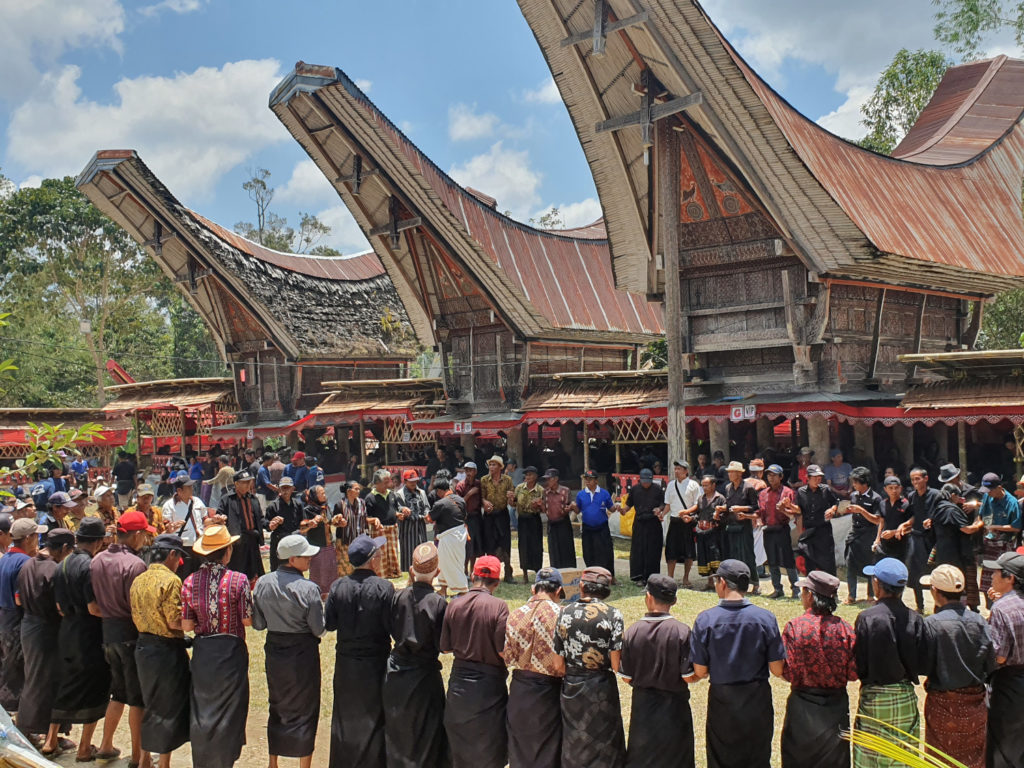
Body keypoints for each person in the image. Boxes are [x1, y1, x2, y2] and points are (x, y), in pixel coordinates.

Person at [690, 559, 785, 768]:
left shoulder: (706, 620)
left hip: (722, 701)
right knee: (757, 757)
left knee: (721, 758)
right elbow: (777, 668)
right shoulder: (765, 618)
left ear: (722, 583)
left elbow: (700, 670)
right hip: (757, 699)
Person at [181, 524, 252, 768]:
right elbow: (247, 620)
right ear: (227, 551)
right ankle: (226, 760)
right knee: (231, 709)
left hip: (204, 654)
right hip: (231, 652)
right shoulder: (238, 580)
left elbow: (187, 625)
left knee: (203, 708)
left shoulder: (189, 582)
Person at [253, 534, 326, 768]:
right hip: (302, 654)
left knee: (277, 703)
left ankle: (273, 762)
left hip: (275, 651)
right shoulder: (309, 588)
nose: (310, 560)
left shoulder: (263, 583)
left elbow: (258, 624)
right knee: (307, 707)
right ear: (292, 559)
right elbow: (319, 629)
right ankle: (304, 764)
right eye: (306, 557)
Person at [853, 558, 932, 768]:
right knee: (903, 759)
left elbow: (858, 663)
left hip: (875, 699)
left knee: (871, 759)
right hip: (905, 699)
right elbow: (924, 663)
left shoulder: (867, 618)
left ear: (877, 584)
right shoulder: (916, 619)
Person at [324, 533, 394, 768]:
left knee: (345, 716)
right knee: (375, 716)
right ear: (372, 559)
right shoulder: (385, 588)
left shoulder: (338, 587)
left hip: (346, 665)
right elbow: (392, 627)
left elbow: (330, 624)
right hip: (375, 664)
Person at [91, 510, 154, 768]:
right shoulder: (136, 565)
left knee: (117, 694)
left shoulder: (97, 560)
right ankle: (138, 757)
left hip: (107, 632)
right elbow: (137, 606)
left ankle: (106, 744)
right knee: (137, 698)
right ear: (137, 535)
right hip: (129, 633)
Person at [920, 564, 995, 768]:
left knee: (939, 761)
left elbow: (923, 665)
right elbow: (991, 663)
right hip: (975, 707)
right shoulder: (980, 621)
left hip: (942, 707)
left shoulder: (932, 624)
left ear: (935, 592)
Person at [781, 570, 856, 768]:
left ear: (811, 596)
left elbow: (786, 670)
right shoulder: (845, 630)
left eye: (804, 591)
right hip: (835, 708)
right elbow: (854, 673)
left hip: (802, 709)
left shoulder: (795, 627)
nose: (801, 596)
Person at [384, 542, 450, 768]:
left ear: (411, 570)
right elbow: (444, 645)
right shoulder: (439, 603)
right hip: (425, 676)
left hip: (396, 673)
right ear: (438, 572)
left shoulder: (397, 597)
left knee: (398, 728)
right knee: (427, 733)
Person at [620, 574, 696, 768]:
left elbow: (626, 678)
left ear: (648, 597)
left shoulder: (633, 631)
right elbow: (688, 676)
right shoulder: (682, 631)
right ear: (675, 601)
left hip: (643, 709)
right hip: (675, 709)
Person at [441, 555, 509, 768]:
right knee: (490, 747)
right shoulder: (499, 607)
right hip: (489, 688)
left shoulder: (454, 604)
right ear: (497, 582)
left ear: (472, 576)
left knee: (460, 748)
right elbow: (502, 651)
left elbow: (445, 647)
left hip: (459, 685)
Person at [51, 517, 110, 763]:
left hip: (67, 632)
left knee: (66, 686)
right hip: (88, 634)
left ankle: (50, 740)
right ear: (97, 542)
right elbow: (94, 608)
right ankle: (85, 748)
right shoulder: (90, 567)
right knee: (94, 689)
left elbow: (59, 607)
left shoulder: (61, 566)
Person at [129, 533, 190, 768]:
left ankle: (145, 759)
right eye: (178, 557)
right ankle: (163, 763)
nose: (179, 563)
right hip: (166, 651)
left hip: (143, 647)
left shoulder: (139, 579)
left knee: (150, 703)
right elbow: (174, 621)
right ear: (172, 555)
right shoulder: (171, 581)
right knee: (168, 707)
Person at [555, 565, 625, 768]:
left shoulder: (565, 612)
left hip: (572, 686)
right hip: (602, 687)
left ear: (582, 586)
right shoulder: (613, 614)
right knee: (606, 740)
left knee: (574, 740)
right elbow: (615, 663)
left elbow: (558, 663)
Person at [17, 527, 75, 755]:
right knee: (50, 683)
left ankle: (32, 730)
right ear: (63, 548)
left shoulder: (28, 564)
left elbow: (19, 599)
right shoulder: (55, 570)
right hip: (48, 630)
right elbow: (61, 608)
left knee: (33, 679)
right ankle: (41, 734)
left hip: (29, 626)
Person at [503, 566, 565, 768]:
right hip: (550, 691)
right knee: (548, 751)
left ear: (533, 589)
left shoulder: (515, 615)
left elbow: (508, 656)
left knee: (520, 750)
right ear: (558, 591)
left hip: (520, 689)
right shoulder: (563, 615)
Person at [983, 550, 1024, 767]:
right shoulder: (1006, 604)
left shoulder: (1002, 608)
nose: (991, 576)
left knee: (1002, 748)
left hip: (1008, 685)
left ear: (1011, 579)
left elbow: (998, 656)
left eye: (997, 572)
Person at [0, 518, 42, 712]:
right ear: (27, 538)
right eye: (36, 536)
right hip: (17, 621)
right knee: (20, 674)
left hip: (4, 619)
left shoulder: (5, 558)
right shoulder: (25, 563)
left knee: (8, 671)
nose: (38, 539)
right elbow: (20, 599)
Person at [785, 464, 838, 575]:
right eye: (814, 477)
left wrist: (832, 510)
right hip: (809, 531)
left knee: (827, 560)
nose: (817, 480)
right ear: (807, 478)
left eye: (819, 477)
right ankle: (811, 588)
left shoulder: (825, 489)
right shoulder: (801, 492)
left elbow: (835, 502)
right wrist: (789, 505)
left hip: (824, 530)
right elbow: (799, 510)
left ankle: (831, 589)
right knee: (809, 559)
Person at [978, 472, 1023, 605]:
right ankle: (989, 607)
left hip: (1004, 545)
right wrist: (978, 526)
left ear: (999, 488)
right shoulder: (987, 497)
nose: (988, 493)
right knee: (987, 582)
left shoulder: (1012, 503)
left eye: (990, 490)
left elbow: (1016, 527)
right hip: (988, 543)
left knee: (1002, 577)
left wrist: (996, 526)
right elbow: (981, 515)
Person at [843, 466, 883, 604]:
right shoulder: (854, 495)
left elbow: (877, 520)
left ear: (864, 483)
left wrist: (861, 510)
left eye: (855, 482)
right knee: (850, 563)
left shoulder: (876, 498)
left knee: (870, 566)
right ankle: (851, 596)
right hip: (855, 533)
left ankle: (871, 595)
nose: (853, 485)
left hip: (869, 534)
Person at [758, 464, 799, 598]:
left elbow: (793, 513)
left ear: (781, 477)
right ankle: (777, 589)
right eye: (769, 475)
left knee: (788, 560)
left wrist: (784, 509)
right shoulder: (763, 494)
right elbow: (760, 513)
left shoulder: (788, 492)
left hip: (782, 529)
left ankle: (795, 589)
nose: (771, 478)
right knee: (772, 560)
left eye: (774, 475)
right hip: (768, 530)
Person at [619, 468, 664, 586]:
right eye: (644, 482)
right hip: (639, 522)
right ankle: (638, 576)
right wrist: (623, 510)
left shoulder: (657, 489)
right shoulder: (635, 489)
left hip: (653, 523)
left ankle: (651, 577)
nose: (646, 484)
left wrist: (659, 509)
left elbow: (663, 504)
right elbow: (629, 505)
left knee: (652, 550)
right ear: (640, 480)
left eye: (648, 482)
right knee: (638, 550)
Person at [218, 469, 265, 582]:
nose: (248, 485)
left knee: (254, 574)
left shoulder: (253, 499)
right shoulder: (227, 499)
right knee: (237, 573)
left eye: (249, 482)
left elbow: (260, 518)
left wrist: (269, 524)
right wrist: (220, 518)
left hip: (253, 540)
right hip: (237, 542)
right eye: (244, 482)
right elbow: (219, 515)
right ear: (236, 483)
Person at [721, 461, 760, 593]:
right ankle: (737, 583)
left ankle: (755, 583)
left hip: (744, 525)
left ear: (739, 473)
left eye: (732, 472)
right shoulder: (728, 488)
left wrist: (742, 509)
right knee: (734, 555)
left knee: (748, 555)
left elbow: (755, 507)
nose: (730, 474)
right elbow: (728, 505)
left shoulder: (748, 488)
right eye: (729, 472)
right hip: (731, 525)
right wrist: (722, 508)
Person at [160, 476, 210, 580]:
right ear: (179, 490)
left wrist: (214, 521)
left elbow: (205, 520)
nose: (192, 488)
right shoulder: (169, 506)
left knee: (201, 578)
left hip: (199, 546)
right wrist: (171, 528)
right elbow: (167, 529)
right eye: (188, 487)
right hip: (182, 548)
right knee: (183, 578)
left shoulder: (197, 501)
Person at [907, 467, 942, 612]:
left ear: (925, 479)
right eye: (913, 479)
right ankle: (919, 606)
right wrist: (905, 524)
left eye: (918, 478)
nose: (915, 482)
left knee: (934, 572)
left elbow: (943, 512)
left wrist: (933, 520)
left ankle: (937, 606)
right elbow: (911, 516)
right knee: (914, 572)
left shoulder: (936, 495)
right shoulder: (911, 497)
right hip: (916, 538)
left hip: (932, 539)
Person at [662, 460, 700, 585]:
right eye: (676, 469)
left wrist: (686, 512)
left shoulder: (693, 485)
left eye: (679, 469)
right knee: (671, 550)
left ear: (686, 471)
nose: (676, 471)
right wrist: (662, 514)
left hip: (687, 521)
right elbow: (668, 504)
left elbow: (697, 504)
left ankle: (686, 578)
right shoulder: (671, 485)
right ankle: (670, 577)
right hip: (674, 521)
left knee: (688, 551)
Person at [430, 478, 468, 597]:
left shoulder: (440, 503)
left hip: (449, 537)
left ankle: (462, 590)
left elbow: (430, 518)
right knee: (448, 563)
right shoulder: (461, 500)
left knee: (451, 565)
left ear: (440, 490)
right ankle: (443, 589)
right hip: (460, 535)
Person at [480, 456, 515, 583]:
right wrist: (485, 502)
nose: (491, 467)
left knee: (505, 543)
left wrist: (511, 498)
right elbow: (481, 497)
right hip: (489, 516)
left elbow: (512, 502)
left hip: (502, 514)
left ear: (500, 467)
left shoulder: (507, 480)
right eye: (490, 465)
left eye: (494, 465)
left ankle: (508, 573)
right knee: (489, 543)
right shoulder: (484, 480)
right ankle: (490, 573)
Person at [575, 469, 616, 575]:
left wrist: (616, 508)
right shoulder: (581, 494)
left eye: (590, 479)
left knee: (606, 551)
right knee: (588, 552)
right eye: (586, 479)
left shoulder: (604, 493)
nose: (587, 482)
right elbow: (577, 510)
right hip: (587, 527)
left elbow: (611, 508)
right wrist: (572, 507)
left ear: (596, 481)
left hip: (602, 527)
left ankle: (609, 575)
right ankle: (591, 574)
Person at [302, 484, 338, 599]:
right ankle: (316, 594)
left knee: (331, 571)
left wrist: (336, 520)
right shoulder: (308, 510)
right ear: (314, 496)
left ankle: (330, 594)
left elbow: (329, 521)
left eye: (324, 493)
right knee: (319, 572)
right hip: (317, 546)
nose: (324, 495)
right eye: (321, 493)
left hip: (329, 545)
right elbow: (303, 527)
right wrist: (312, 522)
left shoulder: (325, 507)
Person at [365, 468, 401, 579]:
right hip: (379, 530)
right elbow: (366, 517)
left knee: (392, 552)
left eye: (388, 481)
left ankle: (393, 573)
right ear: (376, 483)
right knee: (381, 554)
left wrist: (398, 513)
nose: (388, 485)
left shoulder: (392, 494)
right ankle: (381, 574)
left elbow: (395, 509)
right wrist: (374, 520)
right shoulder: (370, 498)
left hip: (392, 529)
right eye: (385, 483)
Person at [512, 465, 545, 582]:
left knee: (536, 545)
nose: (527, 477)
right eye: (526, 475)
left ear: (535, 477)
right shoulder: (519, 488)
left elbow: (544, 509)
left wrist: (540, 505)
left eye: (530, 474)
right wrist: (510, 499)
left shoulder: (541, 490)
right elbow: (513, 504)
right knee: (523, 545)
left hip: (534, 519)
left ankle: (538, 571)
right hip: (522, 519)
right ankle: (524, 573)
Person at [265, 475, 304, 572]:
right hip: (279, 542)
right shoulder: (273, 506)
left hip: (294, 540)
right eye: (283, 488)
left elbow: (302, 522)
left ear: (292, 489)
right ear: (279, 489)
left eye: (288, 488)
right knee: (277, 570)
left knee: (295, 570)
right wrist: (272, 524)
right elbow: (267, 525)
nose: (285, 491)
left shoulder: (297, 505)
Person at [694, 475, 726, 589]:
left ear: (713, 485)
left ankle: (719, 582)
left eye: (706, 485)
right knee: (704, 556)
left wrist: (718, 518)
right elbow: (697, 513)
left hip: (715, 532)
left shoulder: (720, 498)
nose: (704, 487)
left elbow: (724, 515)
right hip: (702, 532)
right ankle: (709, 582)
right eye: (702, 485)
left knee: (715, 556)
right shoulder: (700, 498)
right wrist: (692, 519)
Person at [396, 469, 430, 572]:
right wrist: (402, 509)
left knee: (422, 550)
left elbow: (426, 506)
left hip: (420, 525)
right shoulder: (399, 494)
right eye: (411, 481)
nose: (413, 483)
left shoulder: (422, 492)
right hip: (407, 526)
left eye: (415, 481)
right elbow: (397, 507)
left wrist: (427, 514)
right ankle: (409, 576)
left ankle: (422, 573)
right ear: (405, 481)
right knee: (408, 551)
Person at [542, 469, 575, 569]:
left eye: (549, 479)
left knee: (566, 548)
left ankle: (569, 570)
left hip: (563, 522)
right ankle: (556, 570)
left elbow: (568, 506)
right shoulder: (545, 492)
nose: (547, 482)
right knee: (553, 549)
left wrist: (567, 509)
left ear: (556, 479)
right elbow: (544, 509)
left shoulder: (565, 491)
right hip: (551, 523)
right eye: (546, 480)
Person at [456, 461, 484, 572]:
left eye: (471, 470)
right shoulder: (460, 485)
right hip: (465, 519)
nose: (468, 473)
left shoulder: (479, 484)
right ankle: (465, 569)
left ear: (475, 472)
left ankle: (472, 569)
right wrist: (469, 494)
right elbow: (458, 503)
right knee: (466, 545)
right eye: (466, 470)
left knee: (476, 545)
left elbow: (482, 499)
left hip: (477, 517)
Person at [877, 475, 912, 561]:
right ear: (885, 489)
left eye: (896, 488)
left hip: (901, 545)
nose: (894, 491)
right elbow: (881, 522)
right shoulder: (883, 504)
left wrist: (894, 532)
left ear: (901, 488)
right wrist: (877, 539)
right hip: (884, 544)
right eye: (890, 488)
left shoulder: (906, 504)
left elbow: (911, 527)